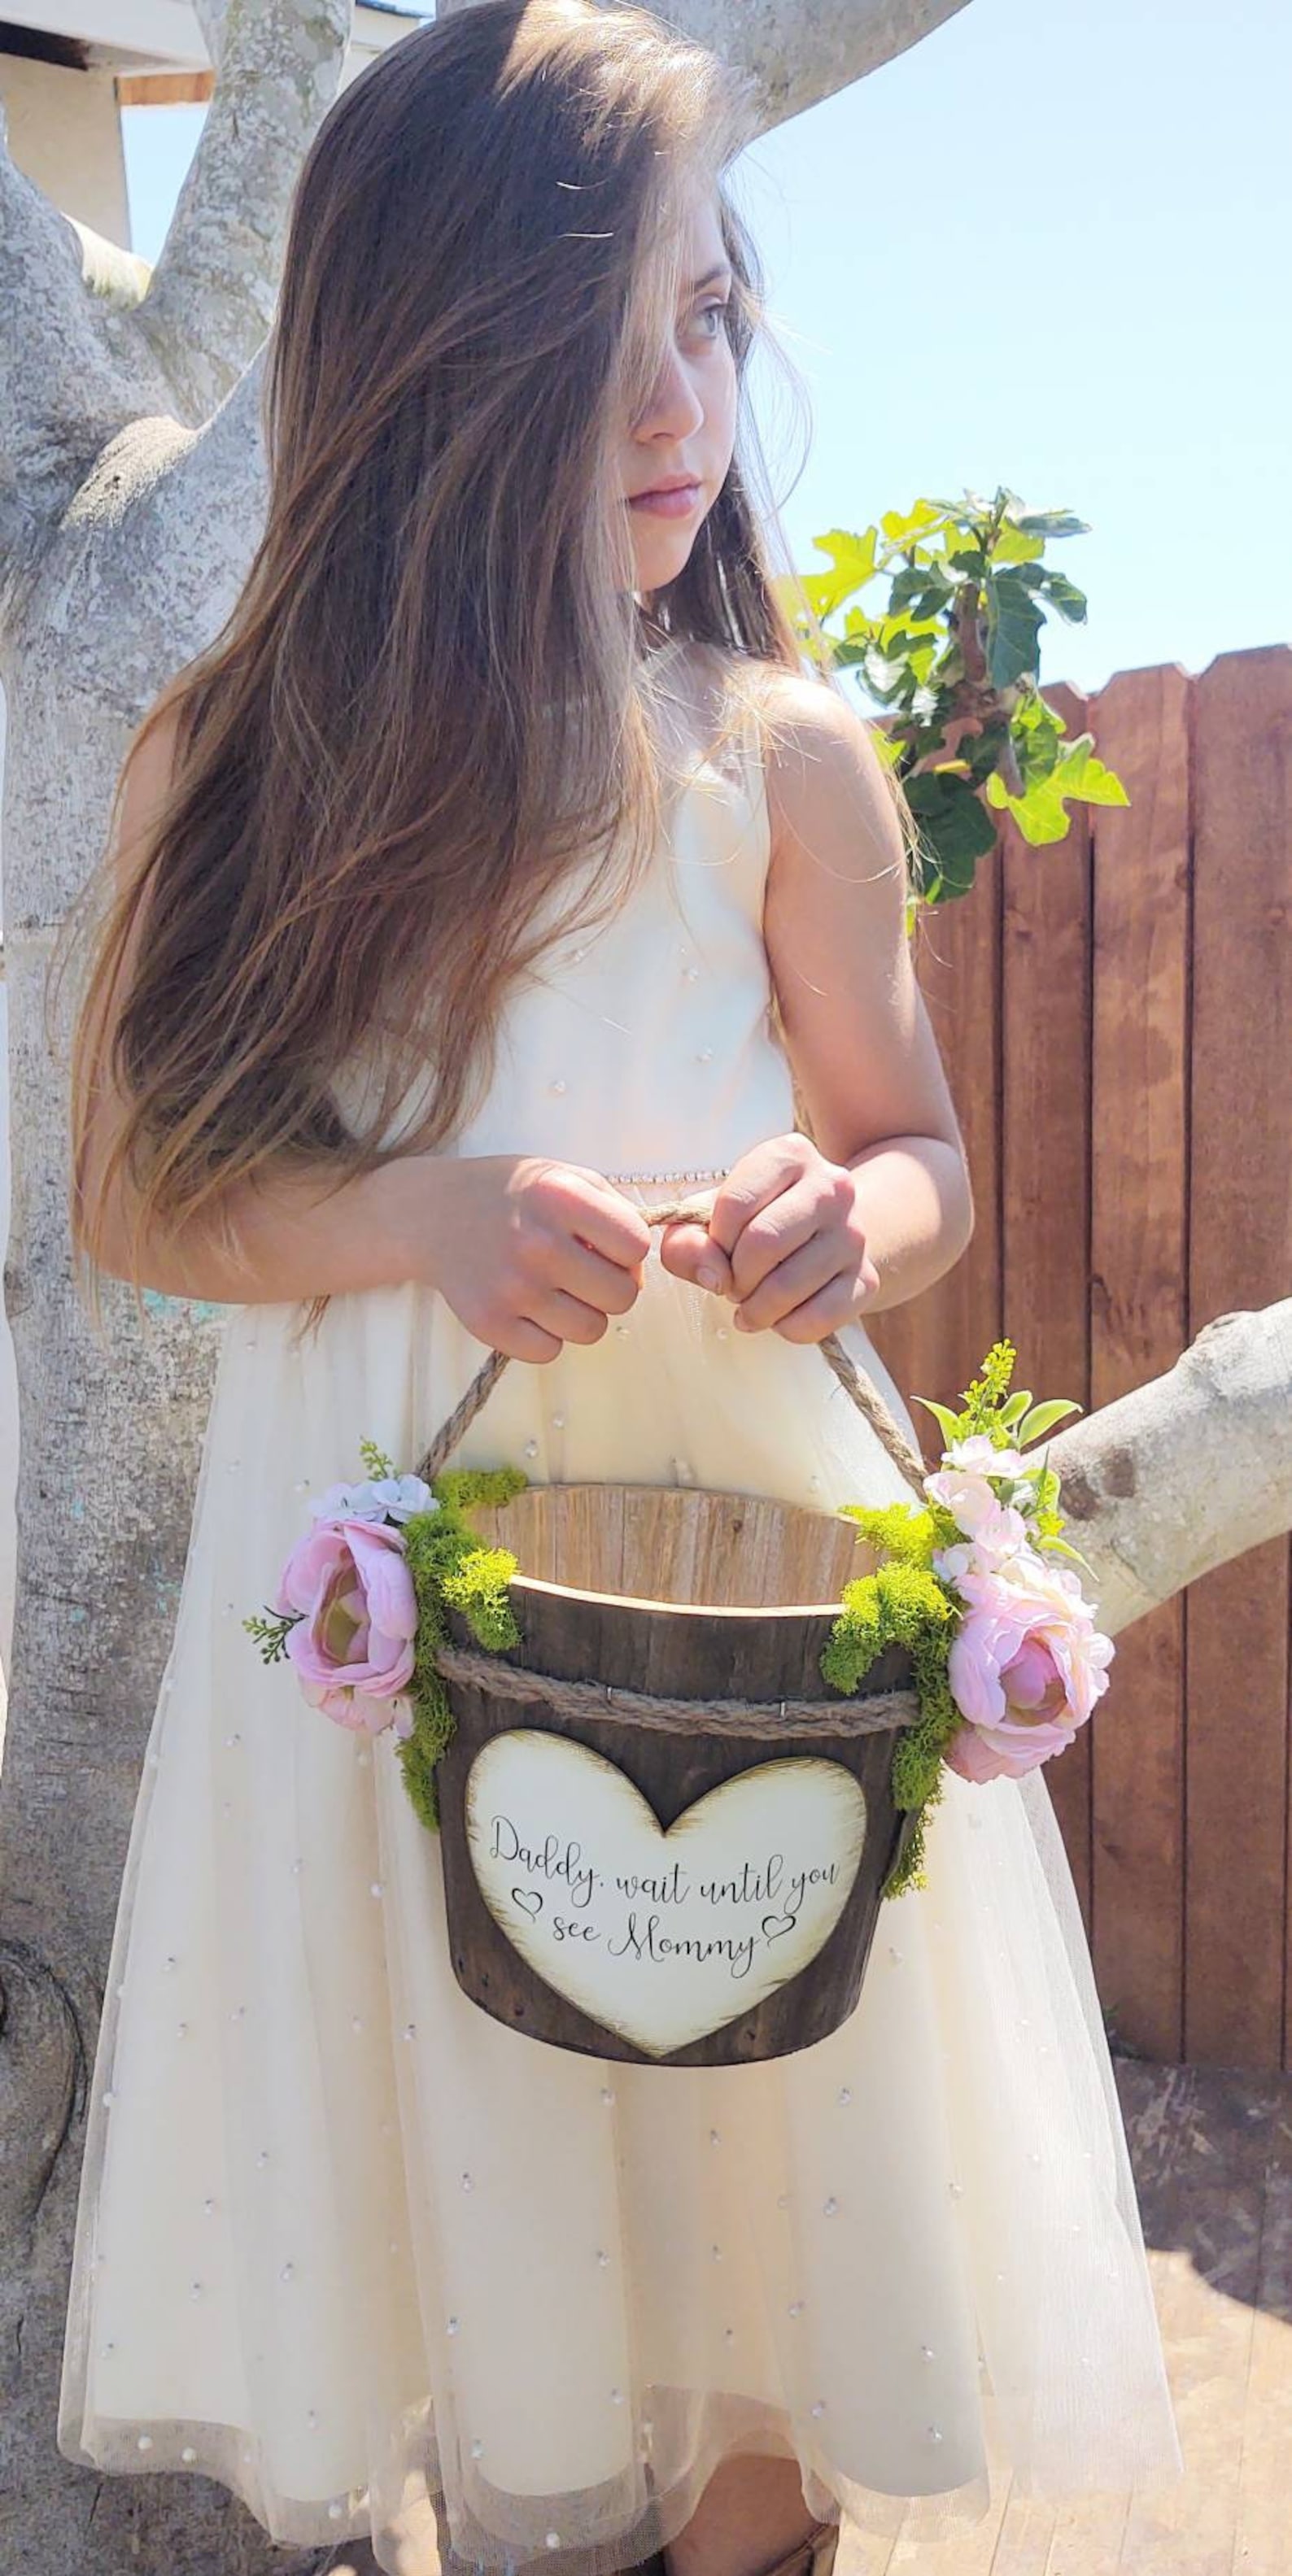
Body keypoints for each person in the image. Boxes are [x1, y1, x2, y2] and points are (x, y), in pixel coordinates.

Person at [55, 7, 1180, 2574]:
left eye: (707, 315)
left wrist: (843, 1219)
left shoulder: (775, 760)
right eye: (602, 345)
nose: (678, 404)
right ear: (433, 361)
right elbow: (136, 1192)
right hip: (394, 1637)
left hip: (742, 1602)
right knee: (502, 2257)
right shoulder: (233, 758)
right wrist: (415, 1218)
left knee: (747, 2240)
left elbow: (916, 1156)